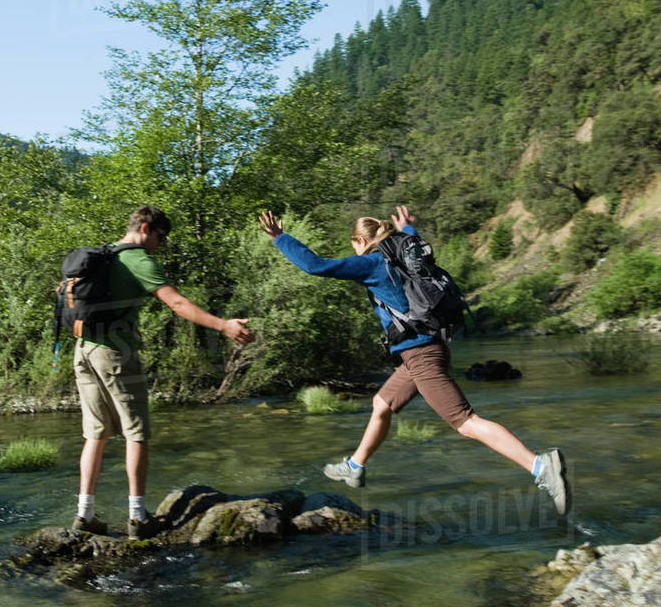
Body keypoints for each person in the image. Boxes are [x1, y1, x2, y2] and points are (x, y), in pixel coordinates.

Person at [258, 206, 571, 515]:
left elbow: (316, 265)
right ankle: (355, 466)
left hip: (421, 356)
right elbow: (417, 258)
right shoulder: (408, 258)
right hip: (423, 351)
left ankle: (540, 466)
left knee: (465, 422)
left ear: (359, 242)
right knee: (382, 403)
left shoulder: (371, 262)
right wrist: (407, 228)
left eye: (353, 244)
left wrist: (280, 238)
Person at [72, 206, 255, 538]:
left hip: (83, 350)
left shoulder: (103, 255)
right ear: (145, 228)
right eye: (160, 236)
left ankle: (84, 515)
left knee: (95, 433)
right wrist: (223, 325)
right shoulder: (137, 260)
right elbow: (177, 304)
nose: (161, 244)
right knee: (136, 432)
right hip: (116, 353)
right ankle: (138, 516)